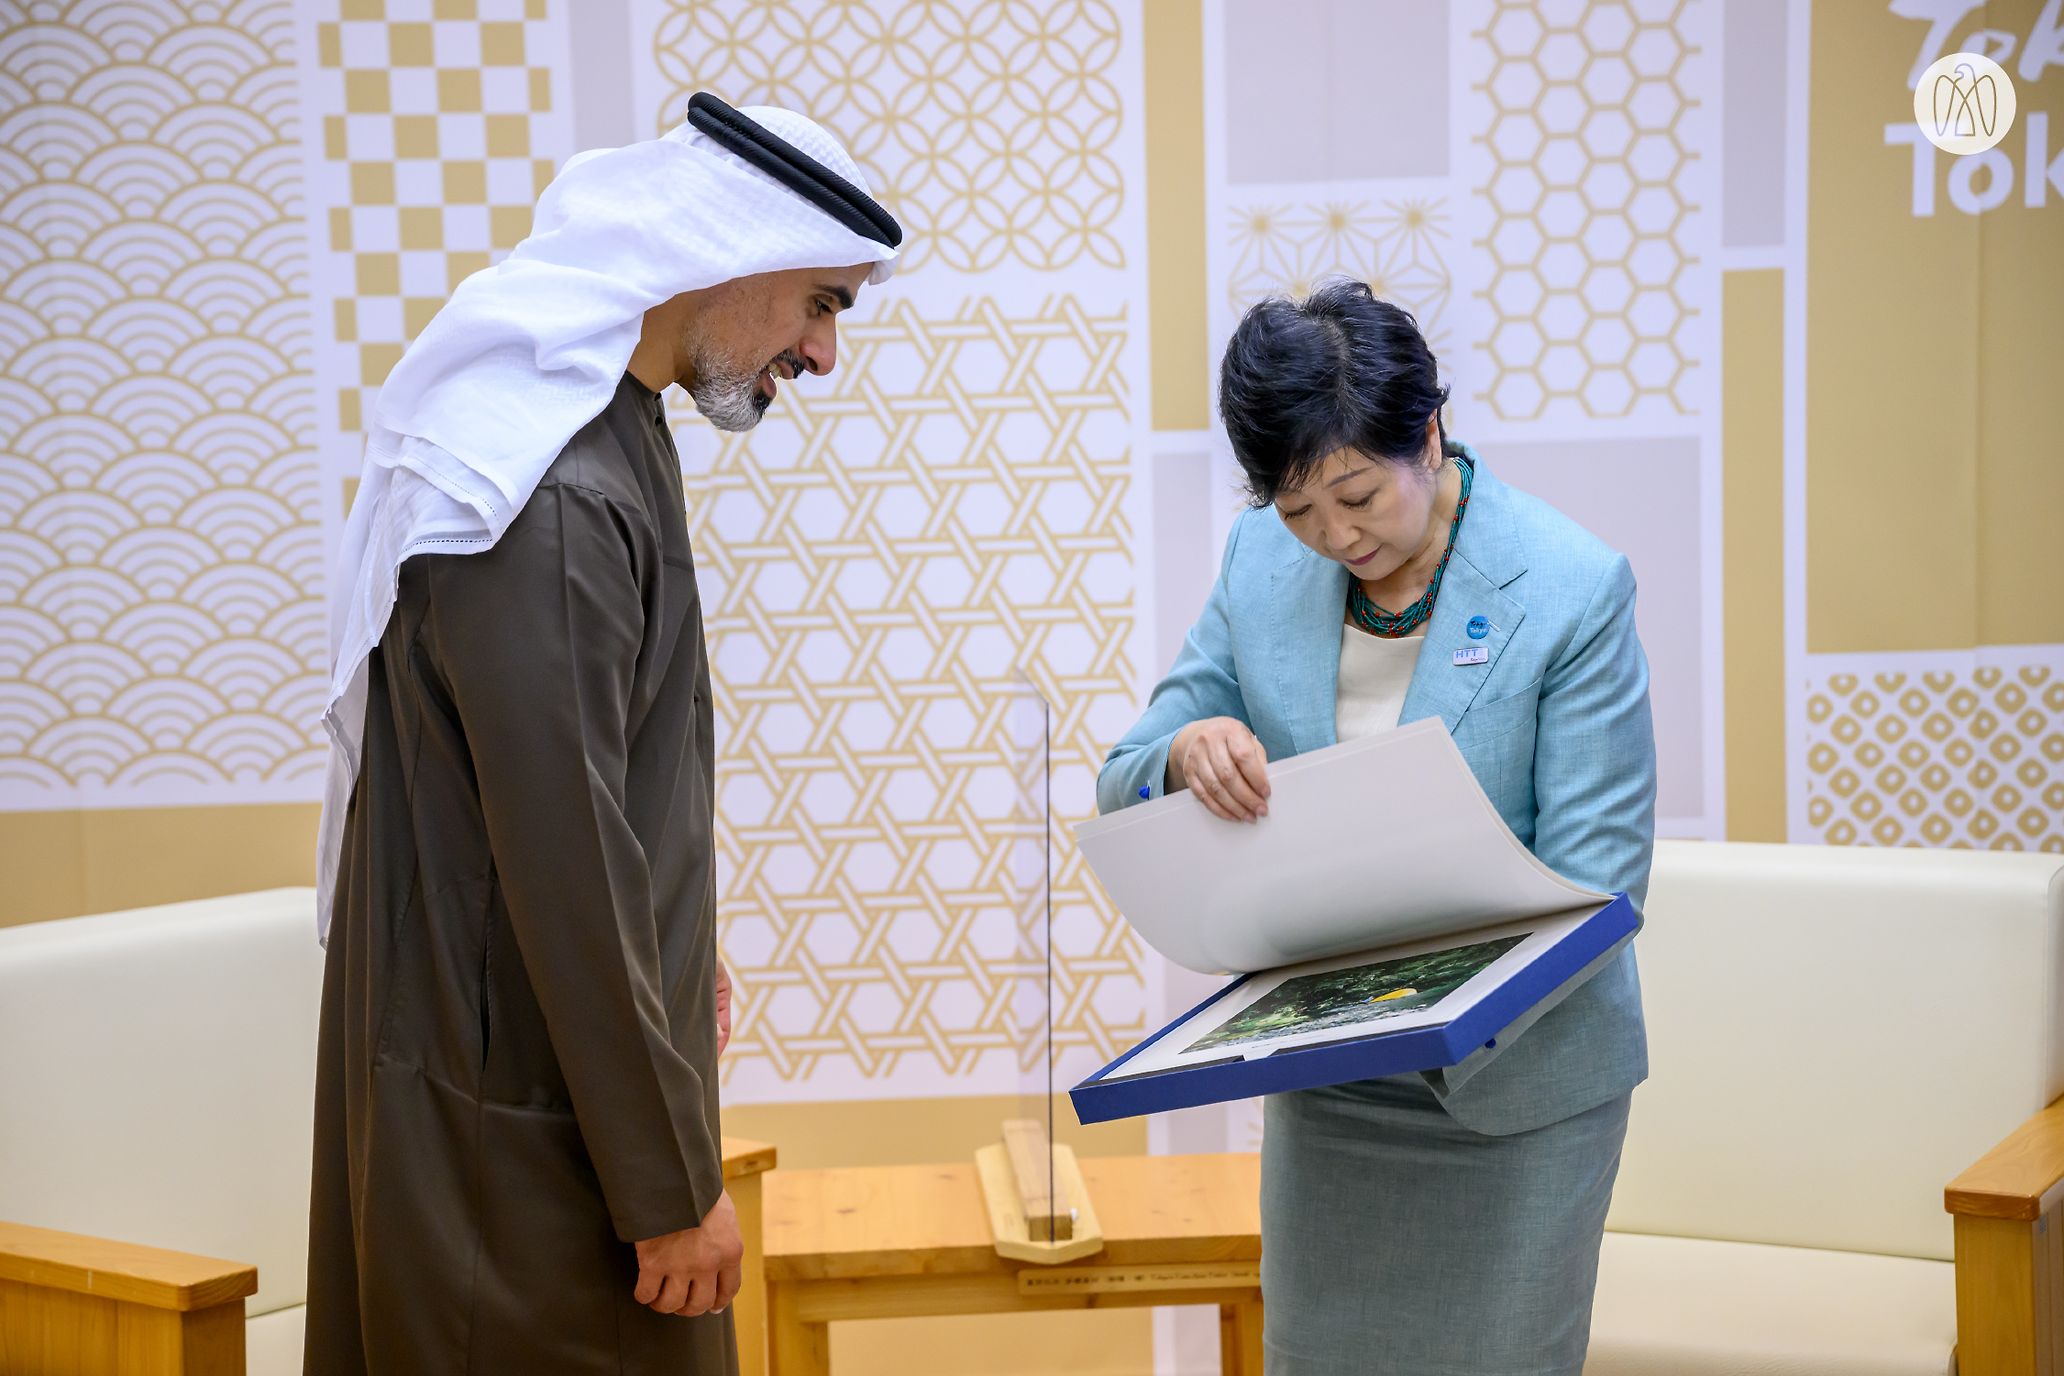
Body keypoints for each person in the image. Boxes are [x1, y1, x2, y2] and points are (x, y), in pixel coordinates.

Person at [304, 96, 902, 1374]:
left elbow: (600, 797)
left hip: (544, 1088)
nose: (821, 352)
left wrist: (680, 964)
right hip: (522, 1157)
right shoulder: (556, 495)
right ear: (724, 257)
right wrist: (671, 1189)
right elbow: (565, 866)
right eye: (820, 302)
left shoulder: (601, 429)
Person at [1096, 279, 1655, 1375]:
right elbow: (1129, 772)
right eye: (1300, 510)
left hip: (1519, 1087)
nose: (1335, 535)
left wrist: (1427, 1006)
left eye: (1357, 495)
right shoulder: (1264, 562)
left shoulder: (1572, 587)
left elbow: (1602, 888)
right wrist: (1187, 749)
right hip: (1337, 1085)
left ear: (1429, 436)